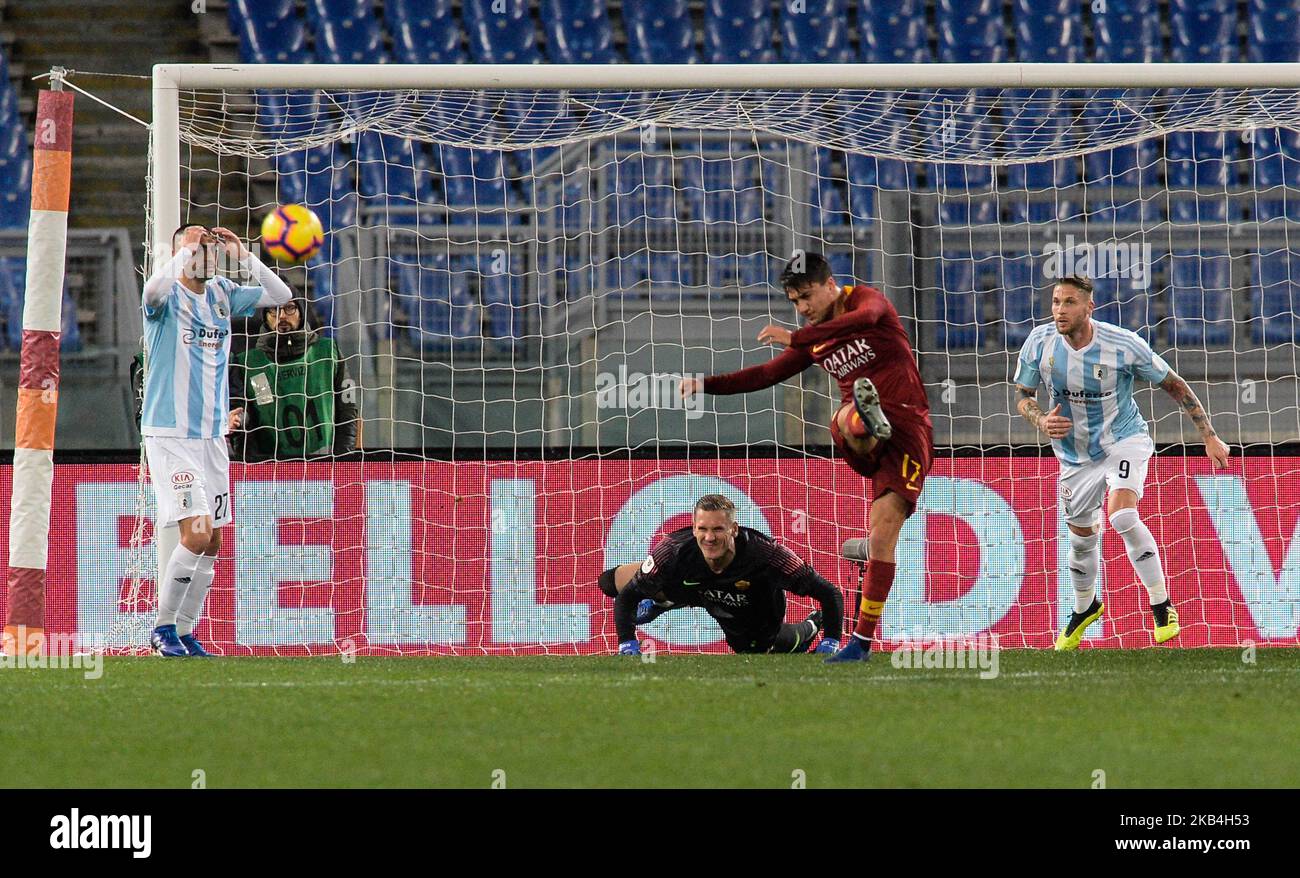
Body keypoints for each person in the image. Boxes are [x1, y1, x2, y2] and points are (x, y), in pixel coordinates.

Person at [680, 252, 933, 663]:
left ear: (830, 284)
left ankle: (861, 644)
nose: (802, 309)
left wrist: (796, 337)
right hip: (859, 437)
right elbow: (766, 375)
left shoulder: (868, 302)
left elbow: (864, 321)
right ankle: (866, 422)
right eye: (795, 302)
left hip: (908, 432)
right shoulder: (815, 335)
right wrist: (706, 384)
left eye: (807, 297)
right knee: (847, 417)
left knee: (882, 539)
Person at [1014, 275, 1231, 649]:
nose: (1059, 311)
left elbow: (1174, 384)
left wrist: (1208, 435)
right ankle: (1086, 608)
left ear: (1088, 308)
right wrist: (1040, 420)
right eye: (1055, 302)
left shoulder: (1123, 344)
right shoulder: (1039, 341)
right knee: (1081, 541)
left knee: (1122, 515)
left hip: (1123, 441)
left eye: (1068, 303)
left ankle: (1161, 605)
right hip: (1074, 456)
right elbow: (1023, 395)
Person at [141, 223, 291, 656]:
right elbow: (150, 292)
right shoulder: (166, 297)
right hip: (171, 434)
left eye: (210, 247)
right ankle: (162, 628)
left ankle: (186, 631)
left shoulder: (223, 293)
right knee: (198, 532)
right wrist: (182, 252)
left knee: (216, 538)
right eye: (199, 247)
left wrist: (244, 257)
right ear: (181, 254)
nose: (208, 252)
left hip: (211, 435)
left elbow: (281, 298)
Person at [602, 494, 844, 655]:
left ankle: (810, 626)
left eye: (718, 529)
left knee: (754, 651)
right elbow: (628, 596)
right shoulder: (673, 549)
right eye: (702, 529)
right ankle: (665, 598)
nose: (709, 538)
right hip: (696, 588)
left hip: (749, 603)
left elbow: (829, 592)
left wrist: (831, 640)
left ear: (734, 529)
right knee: (611, 582)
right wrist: (627, 642)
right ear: (693, 528)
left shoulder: (767, 554)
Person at [228, 295, 358, 461]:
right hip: (272, 472)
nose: (282, 316)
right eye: (274, 310)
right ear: (265, 316)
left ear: (301, 312)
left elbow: (348, 410)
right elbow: (240, 416)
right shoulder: (247, 363)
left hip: (325, 466)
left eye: (289, 308)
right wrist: (239, 422)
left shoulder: (327, 351)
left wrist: (342, 461)